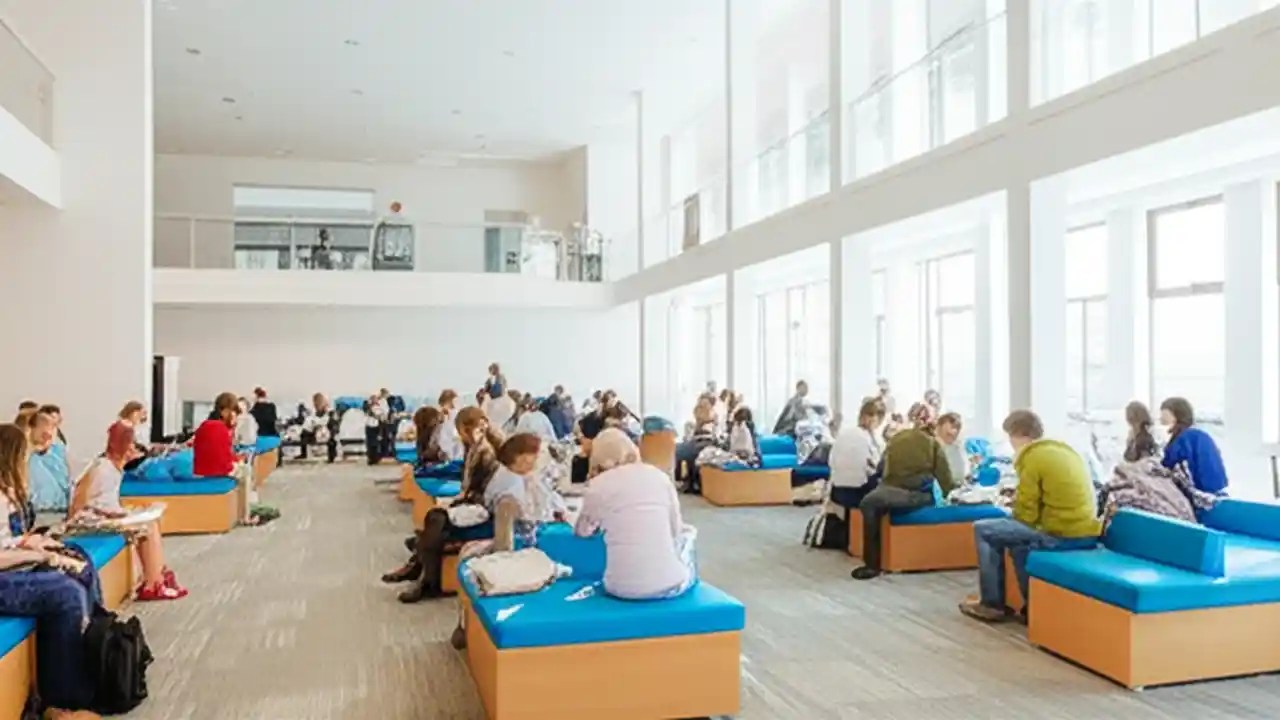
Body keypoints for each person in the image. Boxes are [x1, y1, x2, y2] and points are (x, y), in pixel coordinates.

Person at [0, 423, 108, 717]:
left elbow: (6, 541)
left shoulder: (7, 493)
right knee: (65, 592)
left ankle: (97, 652)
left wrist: (34, 543)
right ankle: (62, 701)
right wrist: (38, 555)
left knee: (79, 561)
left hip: (10, 566)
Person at [959, 410, 1102, 622]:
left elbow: (1026, 515)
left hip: (1061, 533)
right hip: (1086, 530)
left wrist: (1012, 507)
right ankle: (1031, 607)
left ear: (1019, 435)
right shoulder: (1062, 450)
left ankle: (991, 603)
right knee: (1019, 544)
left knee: (983, 529)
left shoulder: (1031, 458)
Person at [393, 407, 503, 602]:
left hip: (486, 511)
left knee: (435, 519)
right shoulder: (476, 449)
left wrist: (457, 502)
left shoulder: (486, 454)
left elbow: (480, 492)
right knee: (434, 519)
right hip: (476, 504)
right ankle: (422, 569)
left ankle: (425, 573)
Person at [574, 429, 696, 599]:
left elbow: (583, 532)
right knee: (688, 544)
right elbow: (675, 530)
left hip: (619, 588)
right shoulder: (660, 477)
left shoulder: (597, 486)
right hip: (669, 583)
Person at [75, 421, 187, 601]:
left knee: (151, 521)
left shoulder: (112, 468)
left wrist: (124, 510)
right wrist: (118, 513)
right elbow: (86, 503)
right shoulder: (103, 469)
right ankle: (153, 583)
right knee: (146, 527)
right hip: (89, 521)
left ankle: (157, 576)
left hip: (101, 516)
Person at [851, 407, 954, 580]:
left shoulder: (896, 439)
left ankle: (871, 564)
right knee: (927, 497)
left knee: (870, 505)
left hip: (884, 492)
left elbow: (881, 469)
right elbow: (945, 480)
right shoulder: (932, 444)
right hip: (913, 494)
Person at [194, 392, 256, 525]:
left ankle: (243, 511)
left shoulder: (206, 425)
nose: (235, 416)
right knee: (246, 472)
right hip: (215, 469)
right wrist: (237, 461)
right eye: (233, 412)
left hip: (201, 468)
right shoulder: (219, 428)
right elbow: (223, 459)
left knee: (242, 469)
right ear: (225, 411)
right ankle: (245, 516)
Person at [1159, 397, 1228, 495]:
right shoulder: (1200, 435)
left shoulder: (1184, 439)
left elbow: (1170, 466)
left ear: (1176, 416)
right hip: (1216, 492)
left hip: (1201, 493)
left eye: (1165, 416)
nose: (1161, 419)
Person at [27, 409, 70, 513]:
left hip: (60, 511)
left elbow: (66, 483)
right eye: (44, 433)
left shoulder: (58, 451)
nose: (47, 437)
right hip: (36, 512)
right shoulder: (26, 456)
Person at [299, 393, 339, 463]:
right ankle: (303, 453)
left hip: (326, 439)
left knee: (332, 440)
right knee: (303, 434)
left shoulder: (329, 418)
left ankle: (332, 456)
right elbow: (305, 431)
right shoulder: (310, 418)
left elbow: (335, 429)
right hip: (315, 440)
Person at [936, 412, 969, 489]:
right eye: (952, 426)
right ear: (938, 428)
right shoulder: (933, 448)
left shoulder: (958, 446)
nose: (954, 431)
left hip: (962, 487)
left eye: (957, 427)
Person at [437, 389, 465, 461]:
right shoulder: (443, 416)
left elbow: (454, 434)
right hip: (449, 449)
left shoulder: (455, 413)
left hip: (454, 449)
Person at [363, 392, 389, 465]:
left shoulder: (378, 407)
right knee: (370, 444)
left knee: (376, 444)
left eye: (376, 399)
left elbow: (382, 416)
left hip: (376, 426)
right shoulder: (368, 407)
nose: (375, 400)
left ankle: (375, 458)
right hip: (369, 426)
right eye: (373, 399)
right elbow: (366, 410)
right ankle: (371, 459)